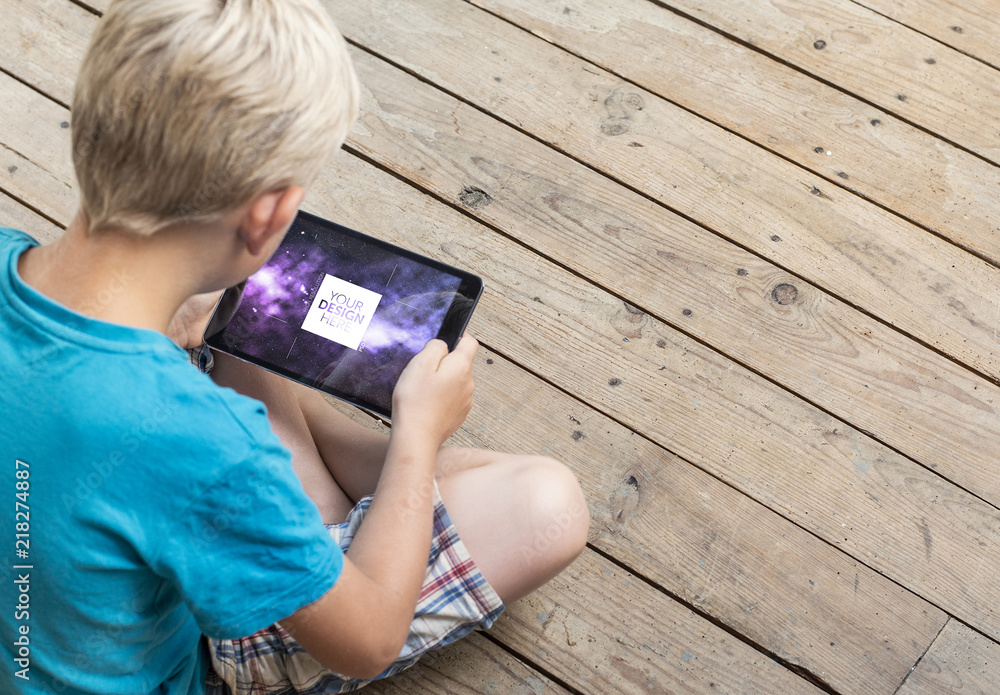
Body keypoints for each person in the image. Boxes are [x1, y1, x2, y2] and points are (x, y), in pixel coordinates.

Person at [0, 1, 589, 693]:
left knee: (237, 337)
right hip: (190, 664)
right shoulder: (201, 440)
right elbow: (367, 640)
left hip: (45, 620)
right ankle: (343, 506)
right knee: (547, 503)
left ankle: (327, 505)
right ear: (270, 214)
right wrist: (417, 436)